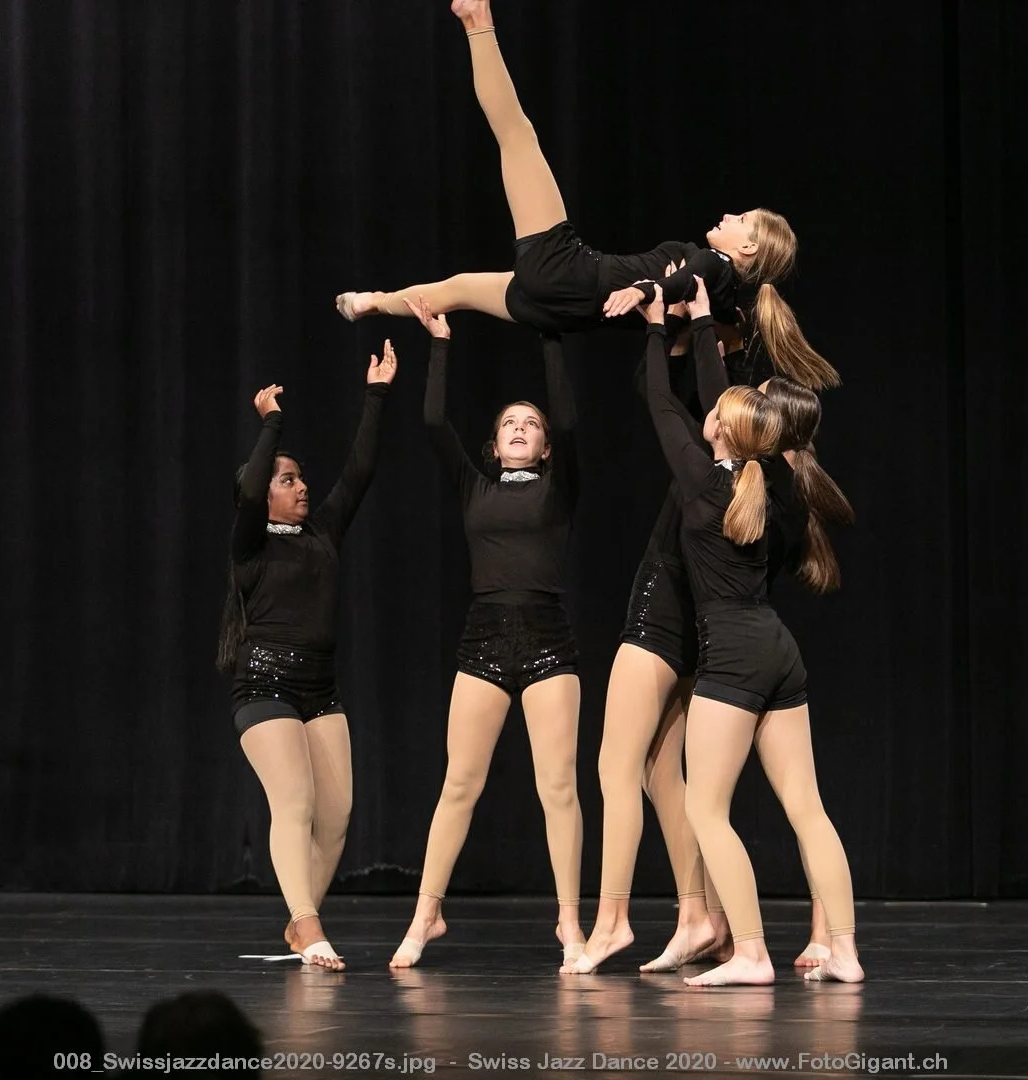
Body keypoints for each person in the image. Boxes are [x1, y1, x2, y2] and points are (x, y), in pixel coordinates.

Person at [333, 0, 837, 392]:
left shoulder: (714, 268)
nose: (728, 214)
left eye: (741, 219)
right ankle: (370, 303)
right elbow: (699, 341)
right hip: (562, 309)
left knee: (517, 136)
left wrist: (644, 291)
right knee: (458, 289)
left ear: (747, 248)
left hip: (567, 271)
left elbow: (698, 272)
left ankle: (475, 18)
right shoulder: (724, 308)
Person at [640, 286, 863, 986]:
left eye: (720, 414)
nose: (710, 410)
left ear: (725, 434)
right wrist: (704, 320)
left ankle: (753, 953)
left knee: (706, 806)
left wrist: (658, 332)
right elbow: (720, 407)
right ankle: (846, 952)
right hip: (779, 651)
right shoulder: (771, 485)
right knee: (807, 807)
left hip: (733, 656)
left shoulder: (705, 485)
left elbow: (659, 400)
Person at [389, 296, 584, 970]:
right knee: (459, 783)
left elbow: (571, 415)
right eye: (510, 424)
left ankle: (570, 924)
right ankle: (425, 915)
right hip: (482, 641)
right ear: (495, 443)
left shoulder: (559, 488)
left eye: (532, 424)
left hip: (548, 641)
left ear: (547, 441)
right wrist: (439, 345)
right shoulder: (476, 490)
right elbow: (432, 419)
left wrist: (551, 340)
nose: (522, 429)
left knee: (557, 787)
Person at [217, 343, 398, 970]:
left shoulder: (322, 531)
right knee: (293, 802)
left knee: (338, 815)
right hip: (263, 686)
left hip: (320, 689)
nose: (302, 487)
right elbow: (248, 490)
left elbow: (361, 470)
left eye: (301, 479)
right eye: (287, 480)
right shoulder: (250, 542)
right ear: (263, 491)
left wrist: (376, 395)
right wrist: (271, 425)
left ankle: (301, 926)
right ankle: (310, 925)